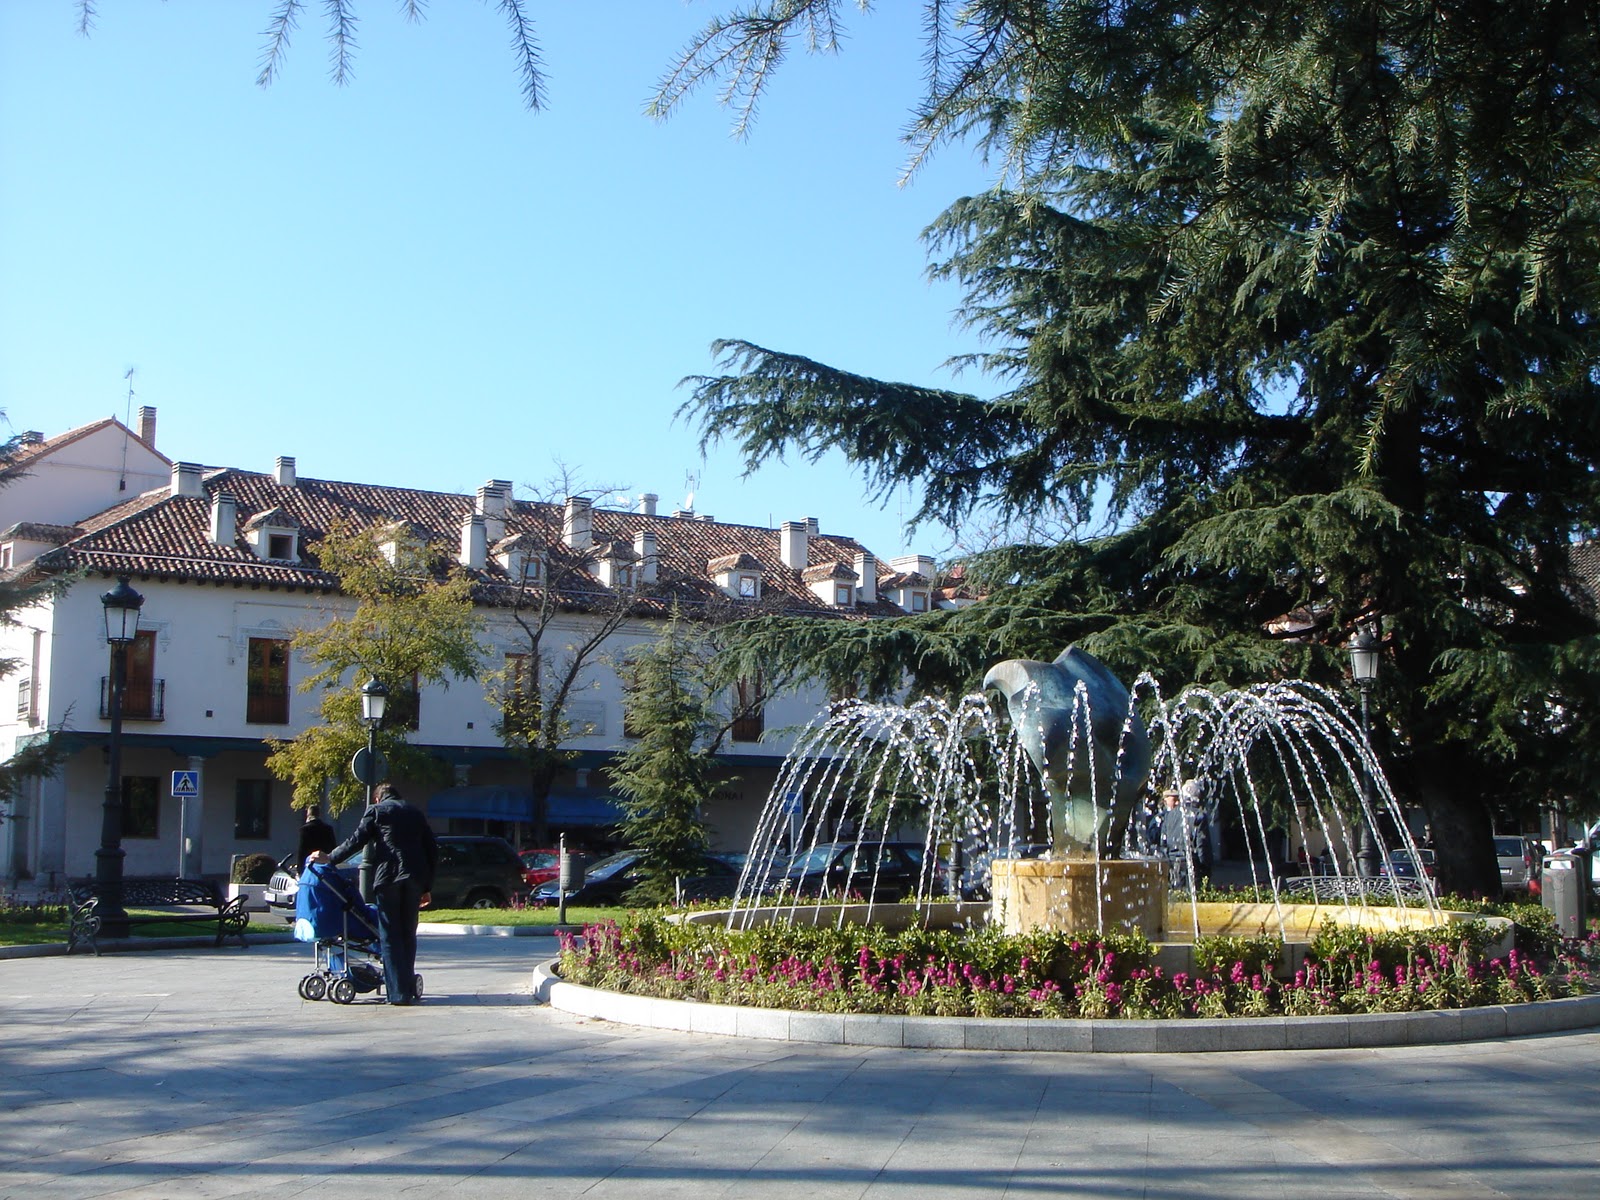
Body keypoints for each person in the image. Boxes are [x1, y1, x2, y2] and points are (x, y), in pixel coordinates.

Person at [307, 783, 437, 1006]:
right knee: (408, 933)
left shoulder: (376, 811)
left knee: (390, 936)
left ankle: (397, 994)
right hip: (415, 878)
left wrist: (330, 858)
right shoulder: (415, 812)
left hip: (388, 879)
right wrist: (427, 887)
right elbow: (432, 850)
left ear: (377, 798)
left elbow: (356, 841)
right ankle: (406, 986)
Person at [1159, 789, 1188, 887]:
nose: (1177, 803)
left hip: (1180, 858)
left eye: (1178, 800)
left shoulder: (1183, 815)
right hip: (1169, 858)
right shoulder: (1162, 817)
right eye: (1174, 800)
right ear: (1165, 800)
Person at [296, 805, 336, 872]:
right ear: (318, 814)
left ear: (308, 815)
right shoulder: (328, 829)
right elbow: (333, 847)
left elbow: (302, 851)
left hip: (310, 864)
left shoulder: (305, 829)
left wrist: (299, 869)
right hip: (324, 864)